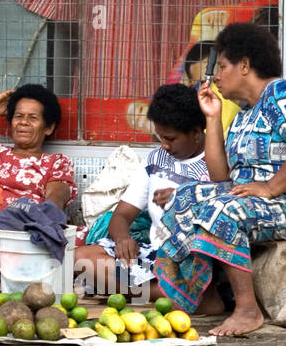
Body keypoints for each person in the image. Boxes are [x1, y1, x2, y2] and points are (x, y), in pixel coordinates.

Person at [153, 22, 286, 336]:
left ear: (245, 65)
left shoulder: (281, 94)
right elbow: (220, 176)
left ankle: (247, 310)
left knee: (223, 211)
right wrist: (212, 117)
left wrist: (270, 188)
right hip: (268, 201)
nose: (215, 76)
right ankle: (208, 297)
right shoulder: (244, 113)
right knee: (184, 198)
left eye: (222, 66)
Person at [75, 84, 211, 297]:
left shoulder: (215, 162)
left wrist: (184, 198)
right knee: (81, 258)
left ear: (195, 132)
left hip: (193, 258)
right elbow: (120, 216)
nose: (164, 145)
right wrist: (123, 240)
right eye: (160, 137)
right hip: (155, 256)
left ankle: (169, 293)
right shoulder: (155, 159)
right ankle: (177, 296)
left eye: (171, 139)